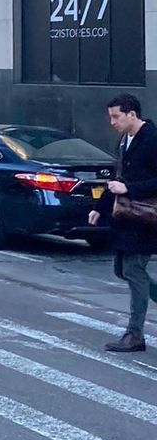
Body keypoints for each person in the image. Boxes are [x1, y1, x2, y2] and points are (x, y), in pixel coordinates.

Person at [88, 92, 157, 352]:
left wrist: (128, 189)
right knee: (122, 270)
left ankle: (135, 334)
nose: (112, 122)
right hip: (126, 217)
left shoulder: (151, 140)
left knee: (133, 271)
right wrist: (99, 207)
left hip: (146, 217)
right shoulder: (125, 139)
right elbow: (118, 178)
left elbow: (128, 184)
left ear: (132, 114)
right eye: (110, 116)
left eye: (116, 116)